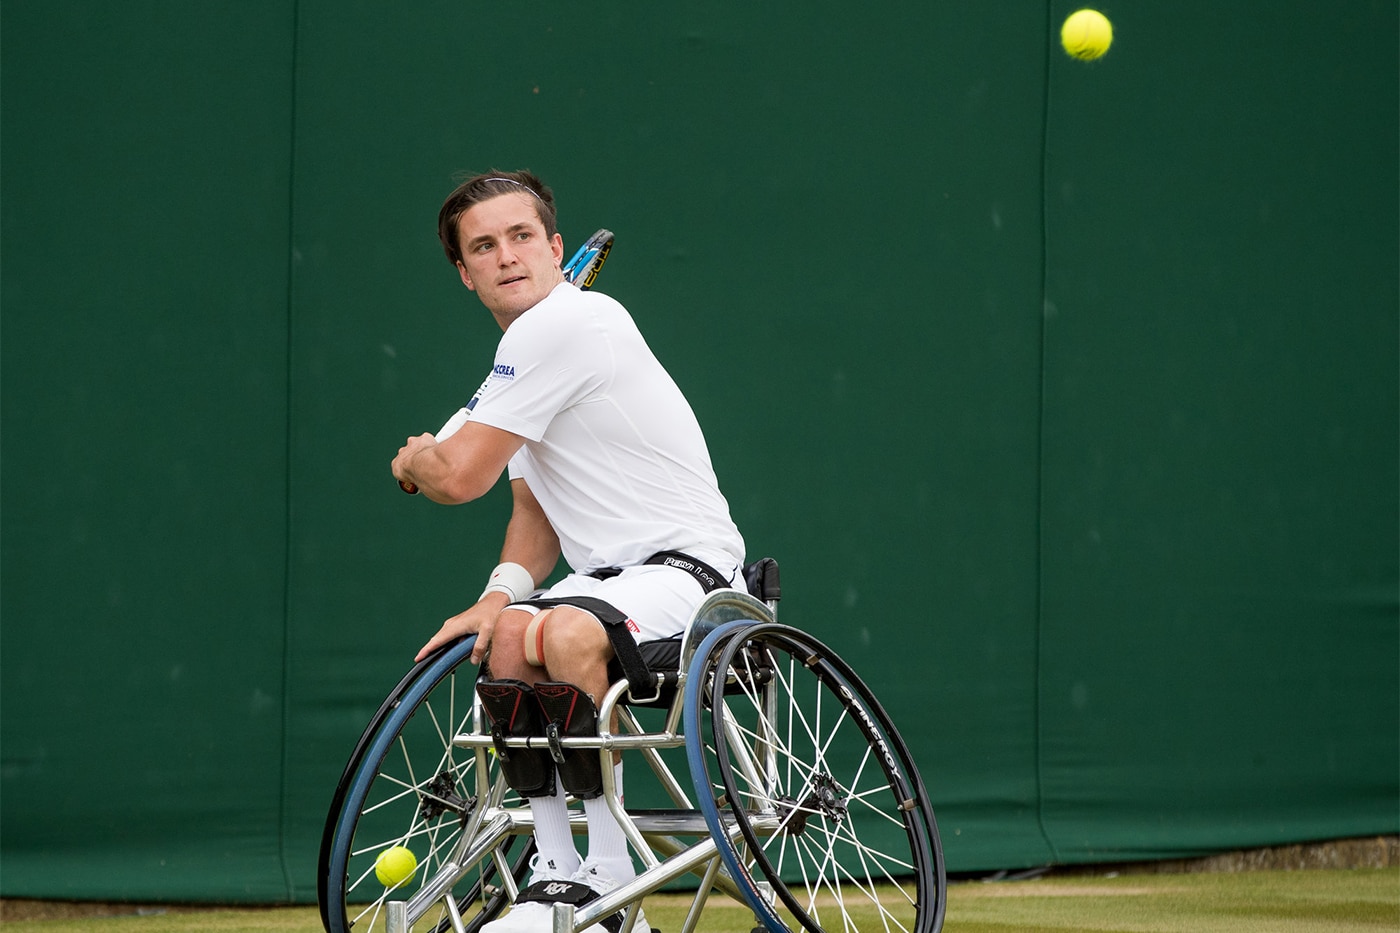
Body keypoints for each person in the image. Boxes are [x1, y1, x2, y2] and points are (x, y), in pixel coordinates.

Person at [390, 170, 746, 933]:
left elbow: (459, 478)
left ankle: (612, 887)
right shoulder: (525, 366)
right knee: (512, 632)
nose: (506, 256)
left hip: (690, 571)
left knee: (562, 628)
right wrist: (495, 596)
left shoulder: (574, 323)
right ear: (465, 272)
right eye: (483, 246)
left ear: (557, 250)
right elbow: (536, 515)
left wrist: (419, 459)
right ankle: (555, 875)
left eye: (522, 237)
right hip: (601, 581)